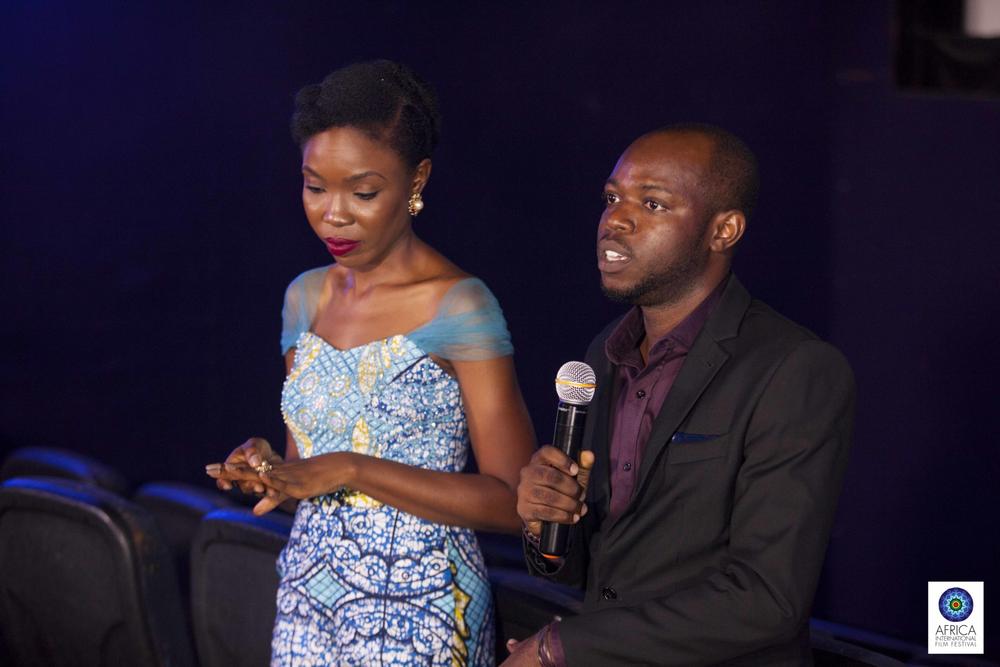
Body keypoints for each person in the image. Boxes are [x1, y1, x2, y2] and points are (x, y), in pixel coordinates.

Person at [205, 60, 536, 667]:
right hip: (308, 594)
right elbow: (307, 471)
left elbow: (516, 503)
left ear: (417, 179)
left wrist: (352, 469)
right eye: (314, 187)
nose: (333, 214)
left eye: (363, 193)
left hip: (422, 604)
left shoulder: (459, 303)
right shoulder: (305, 296)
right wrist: (272, 471)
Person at [506, 124, 855, 666]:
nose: (616, 220)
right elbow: (599, 572)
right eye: (612, 198)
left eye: (652, 203)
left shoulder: (793, 368)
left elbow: (766, 598)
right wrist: (546, 523)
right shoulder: (604, 354)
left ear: (724, 230)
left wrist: (561, 648)